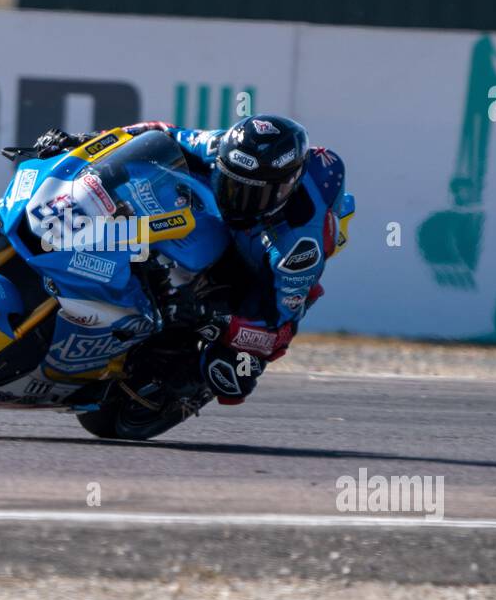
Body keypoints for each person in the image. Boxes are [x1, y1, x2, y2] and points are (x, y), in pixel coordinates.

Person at [30, 114, 355, 405]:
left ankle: (179, 381)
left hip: (261, 257)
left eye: (252, 192)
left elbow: (278, 325)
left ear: (285, 189)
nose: (236, 199)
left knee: (233, 369)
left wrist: (217, 321)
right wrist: (83, 142)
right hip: (211, 212)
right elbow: (161, 133)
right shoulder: (222, 147)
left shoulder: (299, 247)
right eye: (231, 182)